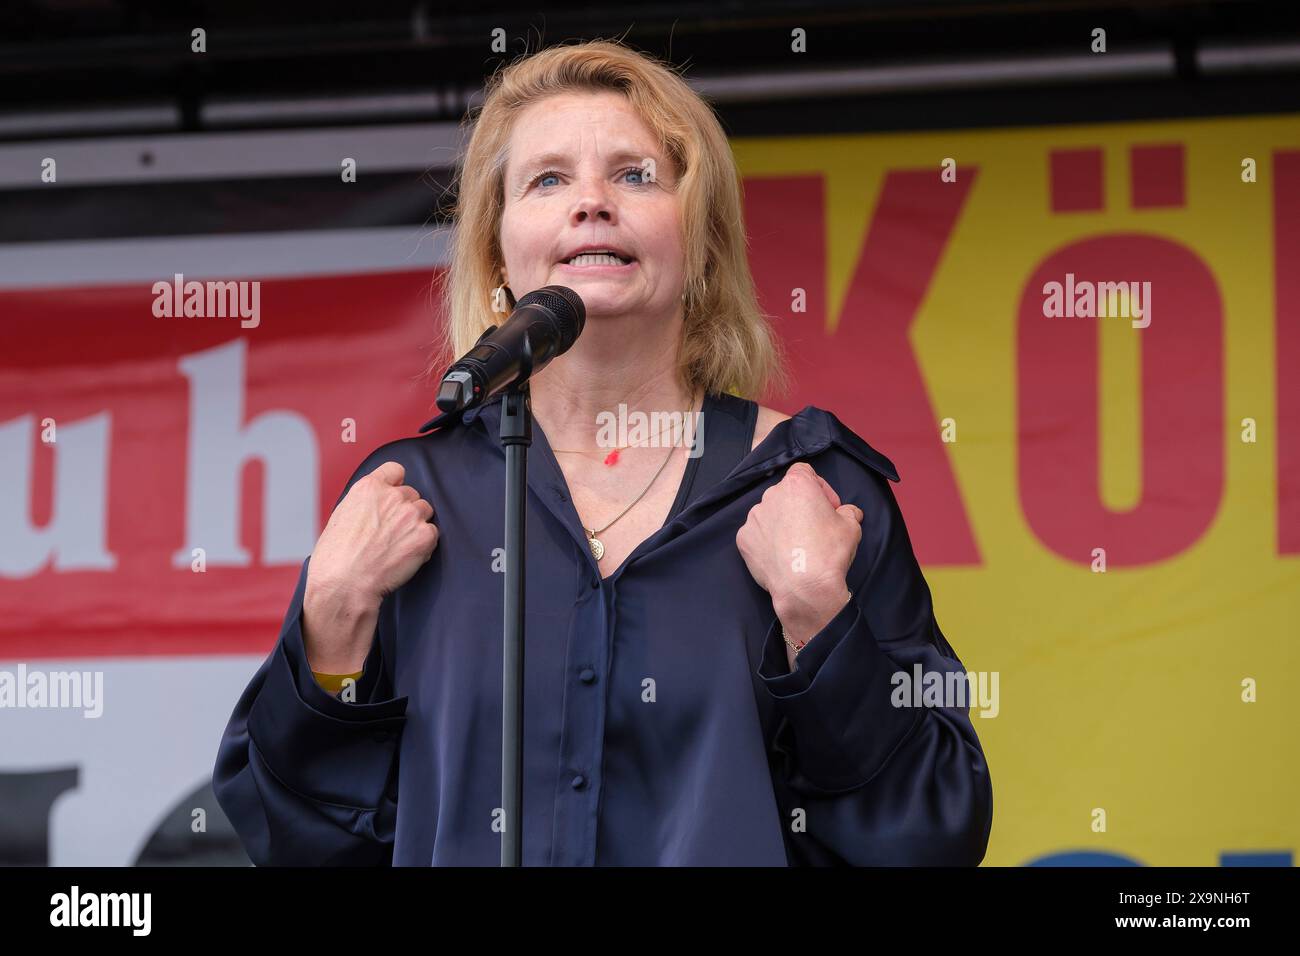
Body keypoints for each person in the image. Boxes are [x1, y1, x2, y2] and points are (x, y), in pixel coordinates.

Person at [212, 38, 993, 866]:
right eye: (548, 180)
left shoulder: (816, 489)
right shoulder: (412, 497)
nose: (591, 202)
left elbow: (934, 835)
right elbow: (293, 838)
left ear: (700, 246)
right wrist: (330, 628)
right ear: (497, 253)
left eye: (635, 175)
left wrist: (821, 625)